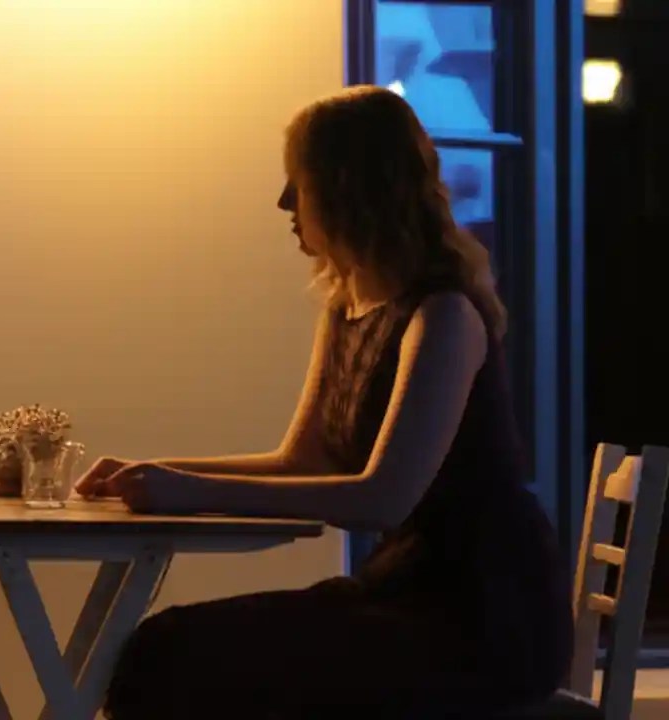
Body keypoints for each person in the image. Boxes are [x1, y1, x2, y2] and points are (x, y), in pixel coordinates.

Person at [77, 86, 573, 719]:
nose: (284, 203)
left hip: (478, 616)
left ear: (346, 189)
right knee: (162, 648)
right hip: (400, 594)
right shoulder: (347, 309)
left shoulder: (443, 315)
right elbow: (301, 461)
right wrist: (153, 472)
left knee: (177, 656)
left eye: (297, 183)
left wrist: (186, 490)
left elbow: (381, 498)